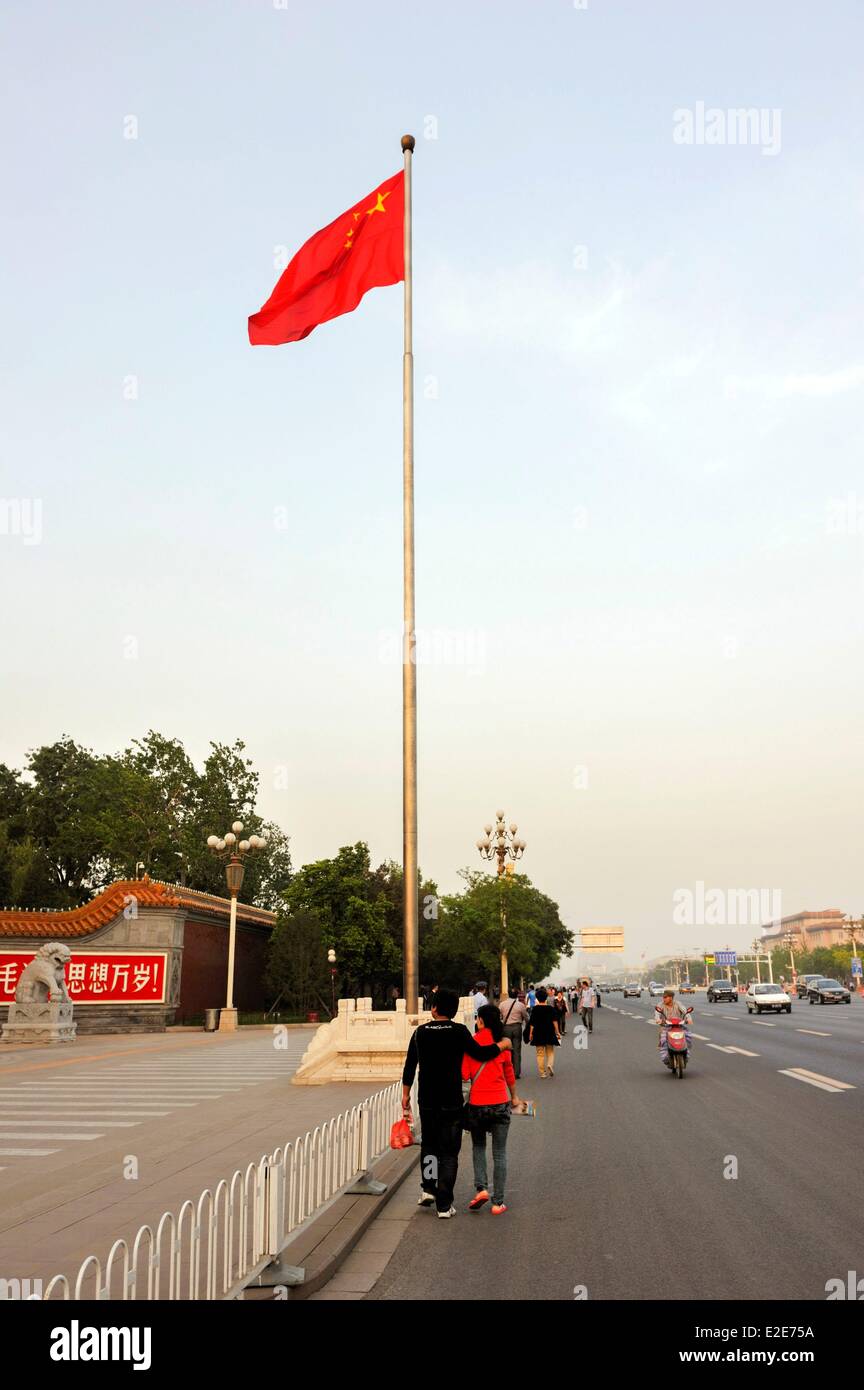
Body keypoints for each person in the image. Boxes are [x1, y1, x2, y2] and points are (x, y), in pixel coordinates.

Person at [401, 988, 510, 1218]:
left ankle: (428, 1188)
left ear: (434, 1008)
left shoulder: (420, 1032)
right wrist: (502, 1045)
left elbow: (410, 1066)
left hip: (427, 1100)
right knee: (449, 1152)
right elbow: (480, 1054)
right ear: (453, 1010)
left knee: (430, 1145)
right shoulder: (459, 1031)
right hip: (451, 1100)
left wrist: (405, 1095)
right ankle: (444, 1205)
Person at [462, 1003, 522, 1215]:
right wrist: (514, 1097)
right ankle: (498, 1203)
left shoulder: (471, 1044)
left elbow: (464, 1075)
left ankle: (481, 1189)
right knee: (500, 1153)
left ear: (480, 1021)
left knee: (478, 1147)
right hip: (499, 1103)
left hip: (477, 1104)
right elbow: (509, 1074)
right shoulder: (503, 1045)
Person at [527, 985, 560, 1078]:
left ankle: (542, 1073)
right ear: (546, 998)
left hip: (538, 1033)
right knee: (550, 1051)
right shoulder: (551, 1008)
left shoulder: (535, 1009)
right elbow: (555, 1021)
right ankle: (549, 1064)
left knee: (540, 1054)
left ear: (537, 998)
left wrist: (530, 1034)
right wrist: (557, 1032)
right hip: (549, 1032)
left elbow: (532, 1023)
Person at [655, 989, 692, 1068]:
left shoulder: (678, 1004)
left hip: (679, 1026)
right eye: (663, 997)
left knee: (688, 1035)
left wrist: (689, 1019)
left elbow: (685, 1012)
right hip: (666, 1026)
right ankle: (664, 1050)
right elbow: (657, 1014)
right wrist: (658, 1020)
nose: (663, 999)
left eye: (665, 997)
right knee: (662, 1034)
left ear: (671, 998)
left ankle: (686, 1051)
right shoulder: (660, 1005)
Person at [498, 987, 530, 1079]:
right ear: (517, 995)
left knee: (506, 1050)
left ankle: (507, 1071)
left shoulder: (502, 1004)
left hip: (506, 1029)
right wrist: (527, 1027)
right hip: (517, 1028)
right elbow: (526, 1018)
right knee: (516, 1050)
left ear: (508, 994)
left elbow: (499, 1016)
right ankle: (516, 1073)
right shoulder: (520, 1005)